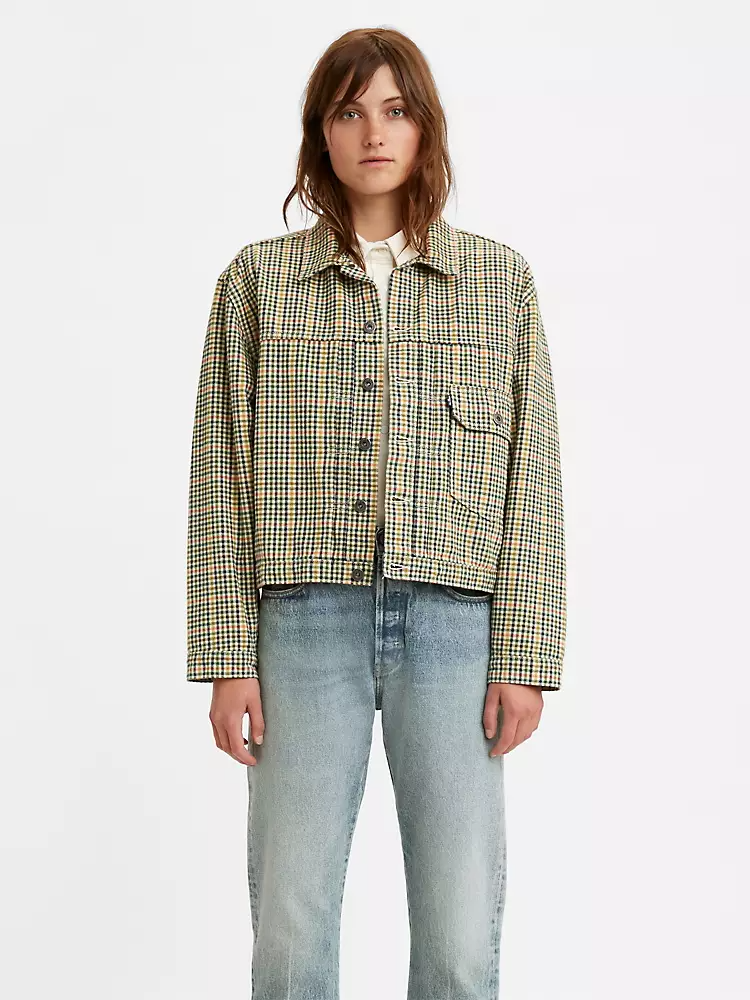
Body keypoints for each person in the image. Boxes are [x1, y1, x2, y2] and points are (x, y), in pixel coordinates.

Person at [186, 25, 567, 1000]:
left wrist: (526, 655)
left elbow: (532, 477)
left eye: (395, 110)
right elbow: (219, 477)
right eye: (349, 111)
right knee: (291, 930)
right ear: (321, 132)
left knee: (458, 936)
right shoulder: (257, 284)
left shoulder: (499, 283)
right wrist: (227, 653)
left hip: (456, 627)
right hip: (301, 624)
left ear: (425, 126)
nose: (373, 132)